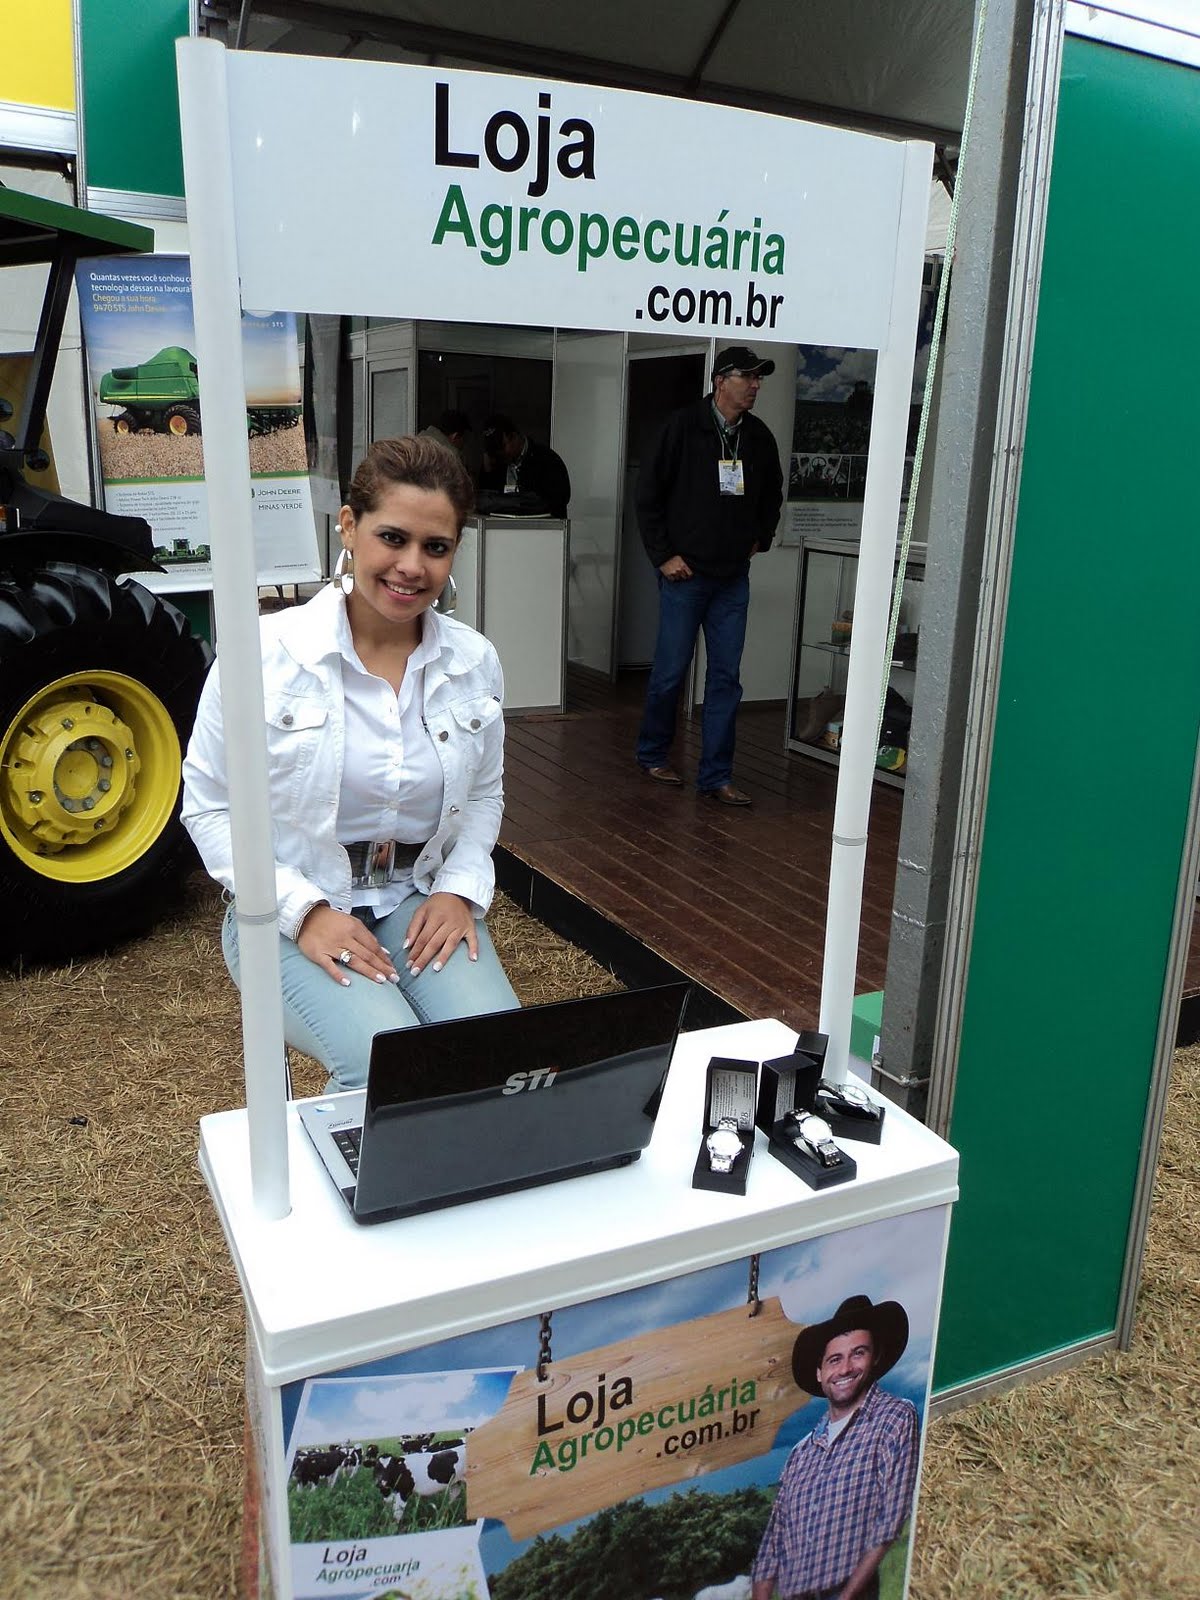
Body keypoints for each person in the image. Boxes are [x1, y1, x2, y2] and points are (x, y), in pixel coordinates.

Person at [181, 434, 520, 1091]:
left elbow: (484, 795)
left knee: (496, 1056)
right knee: (386, 1066)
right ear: (348, 526)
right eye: (392, 538)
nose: (411, 567)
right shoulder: (263, 655)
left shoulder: (474, 662)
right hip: (286, 909)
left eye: (436, 547)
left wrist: (458, 889)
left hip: (415, 895)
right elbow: (209, 805)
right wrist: (304, 912)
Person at [635, 345, 783, 806]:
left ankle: (716, 775)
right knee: (671, 672)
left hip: (731, 577)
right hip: (685, 575)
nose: (755, 385)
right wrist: (663, 557)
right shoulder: (682, 428)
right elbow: (648, 495)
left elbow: (772, 494)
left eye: (759, 378)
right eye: (747, 377)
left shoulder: (758, 437)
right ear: (721, 381)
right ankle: (652, 753)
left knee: (726, 678)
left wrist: (762, 537)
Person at [751, 1295, 919, 1600]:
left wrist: (847, 1596)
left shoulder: (894, 1418)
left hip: (850, 1591)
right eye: (834, 1359)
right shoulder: (801, 1453)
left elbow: (891, 1517)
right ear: (820, 1373)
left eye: (858, 1353)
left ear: (876, 1357)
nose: (845, 1368)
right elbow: (773, 1543)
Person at [478, 412, 571, 518]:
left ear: (513, 437)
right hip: (503, 525)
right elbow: (486, 502)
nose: (499, 453)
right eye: (493, 450)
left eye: (501, 447)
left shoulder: (546, 460)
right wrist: (488, 471)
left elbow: (559, 499)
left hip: (540, 525)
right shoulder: (497, 464)